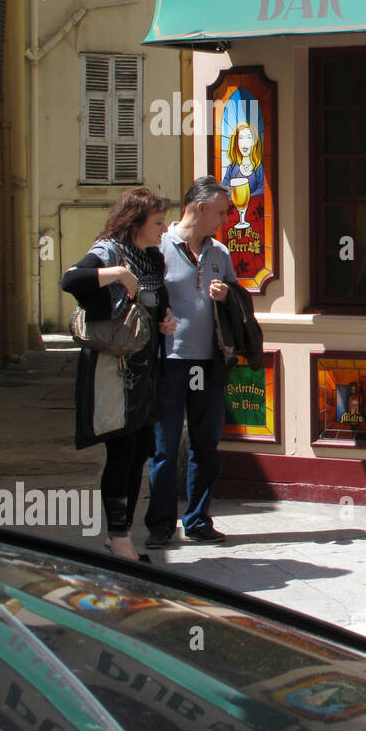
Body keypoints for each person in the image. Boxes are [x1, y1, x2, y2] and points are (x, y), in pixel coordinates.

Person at [61, 187, 179, 561]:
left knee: (141, 450)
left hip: (146, 369)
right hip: (115, 370)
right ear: (136, 222)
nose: (163, 229)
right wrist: (117, 274)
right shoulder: (110, 250)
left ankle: (120, 535)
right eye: (157, 222)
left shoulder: (153, 258)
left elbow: (157, 302)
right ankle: (120, 537)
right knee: (122, 451)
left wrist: (167, 320)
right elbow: (71, 280)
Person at [144, 176, 235, 548]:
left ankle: (197, 520)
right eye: (220, 212)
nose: (224, 219)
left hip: (208, 363)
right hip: (170, 362)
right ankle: (162, 525)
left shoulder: (220, 254)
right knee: (164, 448)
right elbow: (141, 297)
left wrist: (227, 294)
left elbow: (236, 305)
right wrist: (157, 319)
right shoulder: (159, 247)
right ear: (198, 208)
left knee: (205, 446)